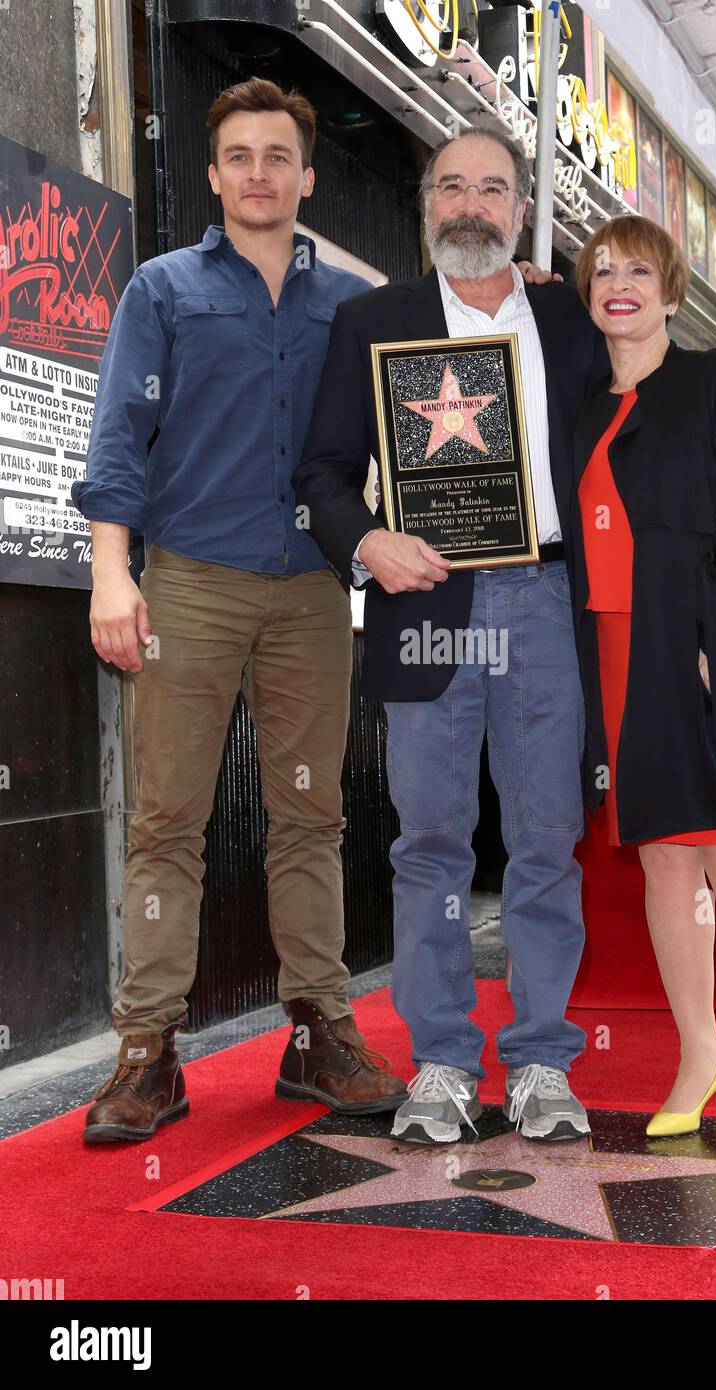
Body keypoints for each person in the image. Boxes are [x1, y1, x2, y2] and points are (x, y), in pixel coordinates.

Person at [293, 129, 716, 1146]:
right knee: (426, 839)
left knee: (545, 839)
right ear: (426, 203)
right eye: (452, 185)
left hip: (545, 606)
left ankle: (542, 1061)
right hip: (424, 607)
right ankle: (438, 1059)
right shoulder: (367, 321)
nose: (470, 203)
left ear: (520, 212)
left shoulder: (566, 311)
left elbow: (657, 375)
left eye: (493, 189)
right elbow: (321, 474)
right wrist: (369, 542)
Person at [72, 77, 408, 1143]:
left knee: (310, 817)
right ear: (212, 174)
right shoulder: (162, 291)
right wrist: (111, 575)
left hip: (313, 591)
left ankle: (317, 1030)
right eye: (240, 156)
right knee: (165, 820)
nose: (259, 173)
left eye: (278, 157)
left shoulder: (350, 310)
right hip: (189, 584)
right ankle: (149, 1052)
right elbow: (119, 438)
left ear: (306, 178)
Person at [567, 214, 716, 1157]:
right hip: (617, 657)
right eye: (600, 271)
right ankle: (698, 1052)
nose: (617, 283)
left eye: (639, 270)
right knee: (665, 859)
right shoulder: (589, 403)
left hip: (707, 648)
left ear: (671, 293)